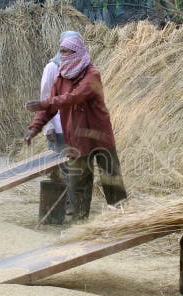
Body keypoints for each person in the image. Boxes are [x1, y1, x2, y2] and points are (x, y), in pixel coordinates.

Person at [24, 34, 127, 220]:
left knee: (112, 180)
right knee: (79, 183)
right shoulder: (61, 78)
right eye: (61, 51)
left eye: (66, 51)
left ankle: (122, 219)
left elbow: (75, 97)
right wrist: (34, 128)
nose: (62, 55)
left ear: (77, 52)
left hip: (100, 136)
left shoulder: (92, 74)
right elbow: (51, 108)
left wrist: (44, 103)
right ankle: (80, 225)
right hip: (78, 139)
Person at [40, 30, 79, 214]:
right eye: (66, 48)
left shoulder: (82, 67)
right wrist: (47, 125)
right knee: (64, 168)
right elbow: (45, 98)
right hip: (59, 127)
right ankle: (67, 205)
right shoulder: (52, 68)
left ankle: (74, 203)